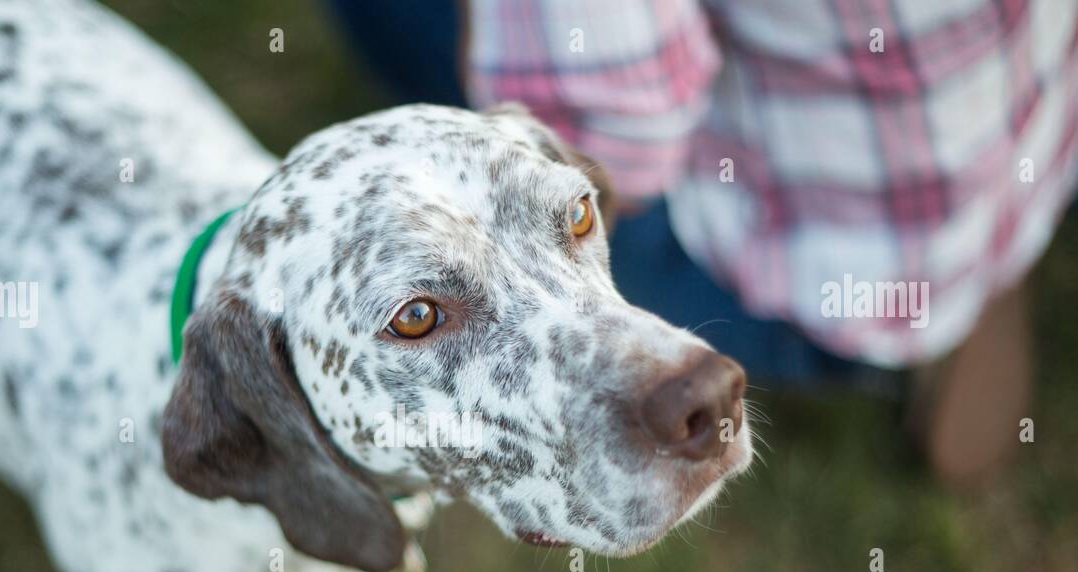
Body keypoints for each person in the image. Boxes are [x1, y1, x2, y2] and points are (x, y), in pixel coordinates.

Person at [327, 0, 1078, 486]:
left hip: (814, 281)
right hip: (1032, 133)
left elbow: (609, 129)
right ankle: (984, 263)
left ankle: (894, 331)